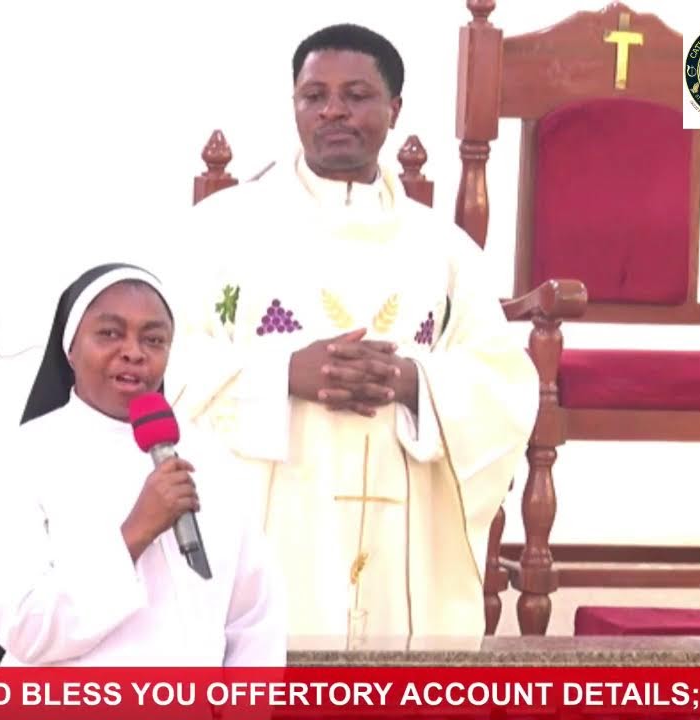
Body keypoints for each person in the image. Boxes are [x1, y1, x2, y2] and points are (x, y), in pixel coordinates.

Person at [157, 24, 539, 641]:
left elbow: (504, 382)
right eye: (314, 96)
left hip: (403, 522)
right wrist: (283, 374)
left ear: (395, 108)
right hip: (264, 512)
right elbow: (162, 361)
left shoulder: (444, 247)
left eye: (357, 94)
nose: (333, 110)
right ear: (295, 107)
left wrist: (416, 382)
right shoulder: (219, 230)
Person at [0, 263, 286, 667]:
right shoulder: (21, 458)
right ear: (70, 348)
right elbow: (26, 629)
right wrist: (137, 530)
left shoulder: (213, 460)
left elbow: (254, 622)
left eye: (153, 339)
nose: (134, 351)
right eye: (110, 333)